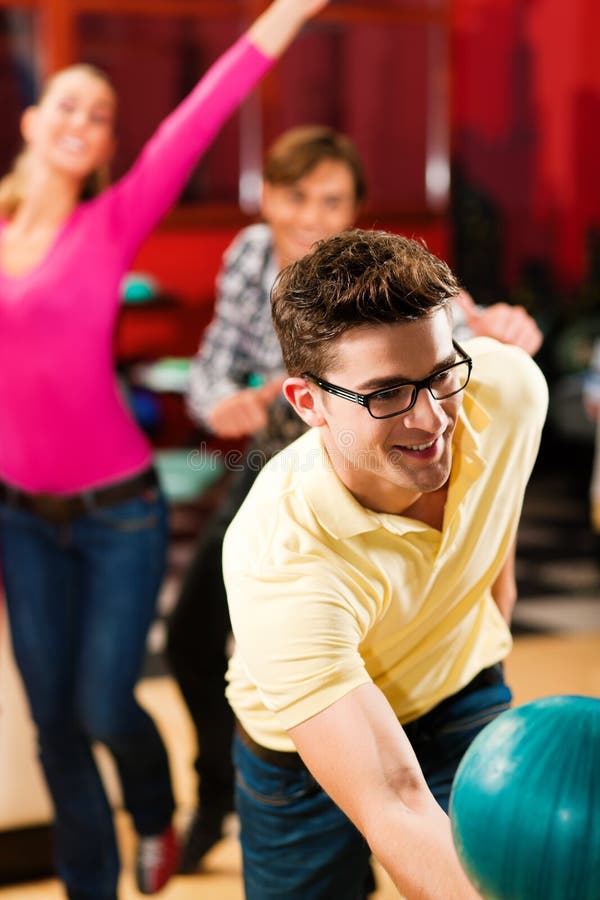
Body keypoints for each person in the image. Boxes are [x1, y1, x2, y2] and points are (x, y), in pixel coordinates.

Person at [0, 2, 329, 899]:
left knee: (106, 705)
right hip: (20, 518)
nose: (83, 121)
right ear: (31, 120)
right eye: (67, 104)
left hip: (120, 513)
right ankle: (90, 888)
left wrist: (288, 15)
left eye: (101, 114)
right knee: (54, 727)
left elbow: (206, 110)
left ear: (107, 145)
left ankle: (153, 812)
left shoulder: (109, 224)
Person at [167, 125, 543, 873]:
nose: (433, 416)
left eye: (441, 374)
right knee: (193, 633)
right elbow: (394, 798)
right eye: (388, 392)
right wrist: (224, 410)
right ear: (308, 398)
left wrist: (484, 640)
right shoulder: (277, 553)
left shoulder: (504, 391)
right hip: (292, 745)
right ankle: (210, 800)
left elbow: (488, 516)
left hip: (457, 689)